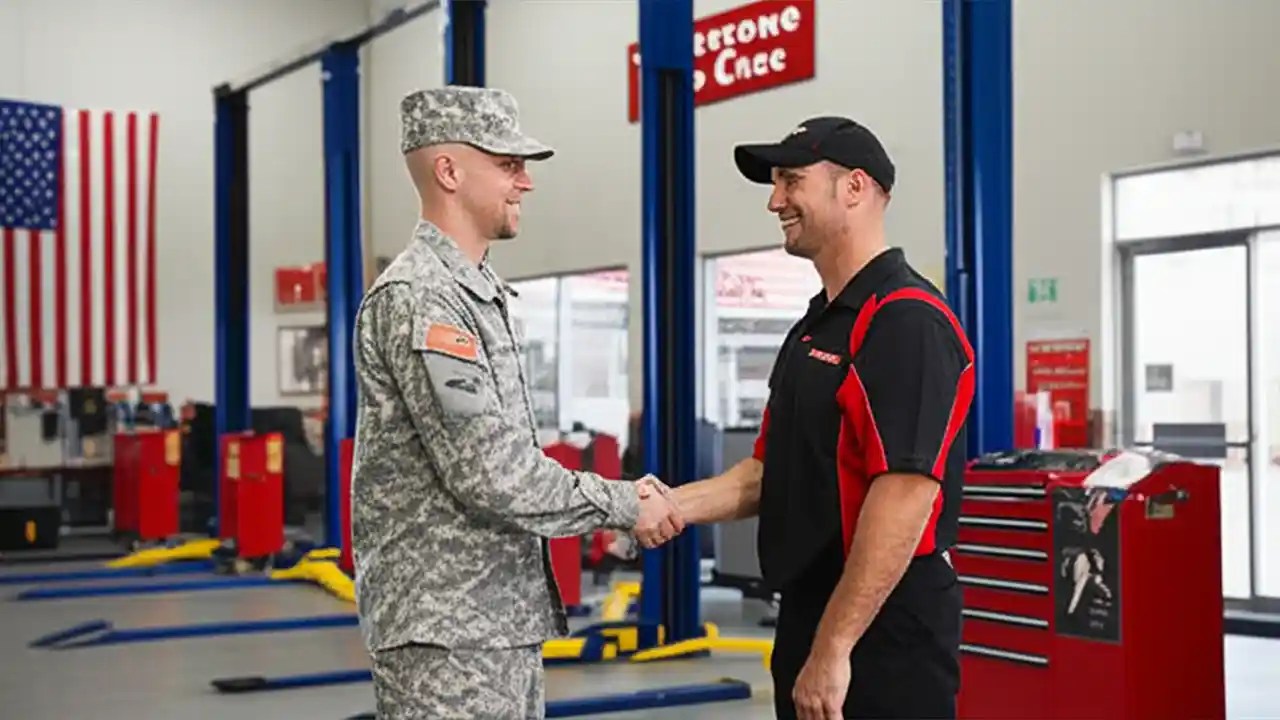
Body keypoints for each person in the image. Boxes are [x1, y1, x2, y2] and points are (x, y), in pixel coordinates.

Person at [349, 86, 685, 720]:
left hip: (490, 623)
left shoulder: (474, 293)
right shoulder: (424, 299)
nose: (525, 182)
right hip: (446, 637)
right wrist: (622, 503)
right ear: (448, 171)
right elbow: (491, 472)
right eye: (508, 164)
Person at [649, 116, 976, 719]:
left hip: (881, 627)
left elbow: (903, 498)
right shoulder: (818, 325)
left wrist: (833, 648)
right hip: (814, 609)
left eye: (791, 180)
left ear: (854, 188)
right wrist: (666, 505)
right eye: (775, 183)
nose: (776, 200)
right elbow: (768, 473)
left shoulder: (906, 322)